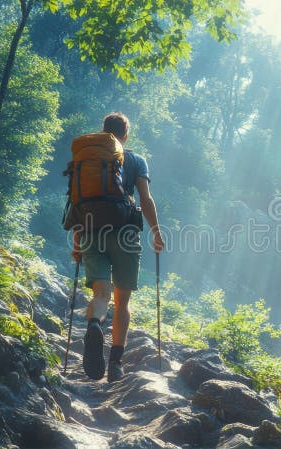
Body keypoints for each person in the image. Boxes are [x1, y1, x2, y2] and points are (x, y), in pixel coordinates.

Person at [71, 112, 165, 382]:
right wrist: (156, 233)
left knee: (101, 293)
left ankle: (93, 324)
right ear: (126, 134)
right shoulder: (136, 160)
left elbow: (76, 202)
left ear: (103, 131)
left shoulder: (86, 160)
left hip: (90, 231)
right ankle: (115, 362)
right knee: (122, 301)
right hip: (124, 234)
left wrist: (78, 242)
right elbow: (145, 200)